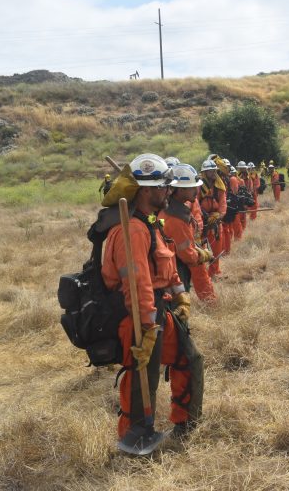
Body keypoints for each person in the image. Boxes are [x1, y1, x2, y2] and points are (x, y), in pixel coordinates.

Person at [100, 153, 203, 444]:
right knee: (142, 377)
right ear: (146, 191)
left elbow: (167, 266)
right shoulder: (132, 230)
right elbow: (138, 283)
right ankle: (135, 437)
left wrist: (181, 296)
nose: (167, 191)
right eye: (162, 187)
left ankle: (185, 424)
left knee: (190, 359)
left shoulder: (150, 222)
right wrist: (146, 327)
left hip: (160, 308)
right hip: (138, 313)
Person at [160, 164, 217, 302]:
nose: (196, 190)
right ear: (179, 190)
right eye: (192, 187)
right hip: (175, 270)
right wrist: (201, 255)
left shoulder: (175, 209)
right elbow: (186, 254)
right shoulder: (176, 218)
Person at [198, 159, 227, 277]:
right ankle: (202, 274)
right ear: (204, 172)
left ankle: (214, 272)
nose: (212, 173)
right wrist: (201, 217)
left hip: (215, 221)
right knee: (200, 249)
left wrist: (219, 216)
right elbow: (194, 203)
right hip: (201, 221)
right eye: (209, 171)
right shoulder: (198, 187)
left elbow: (223, 204)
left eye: (213, 170)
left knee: (216, 249)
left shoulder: (219, 186)